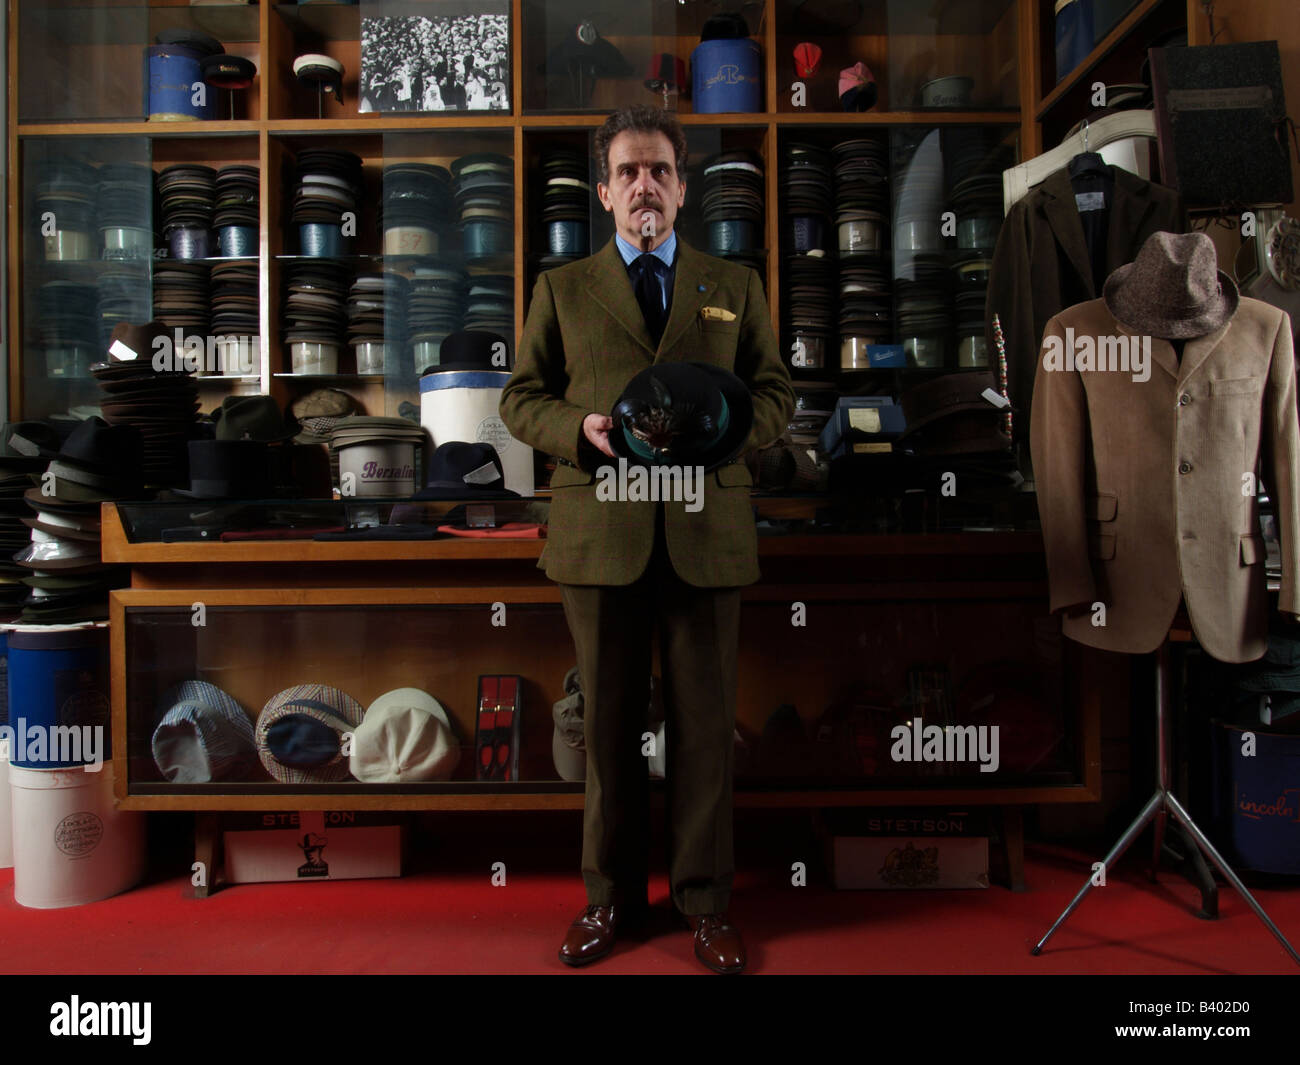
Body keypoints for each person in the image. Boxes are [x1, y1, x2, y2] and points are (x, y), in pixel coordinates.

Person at [500, 105, 794, 973]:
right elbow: (521, 399)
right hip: (602, 534)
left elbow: (775, 394)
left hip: (707, 533)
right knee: (609, 729)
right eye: (627, 171)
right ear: (604, 192)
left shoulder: (733, 284)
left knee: (705, 730)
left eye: (659, 169)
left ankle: (706, 903)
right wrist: (578, 429)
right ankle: (610, 899)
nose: (644, 185)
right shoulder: (562, 288)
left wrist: (727, 431)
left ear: (682, 185)